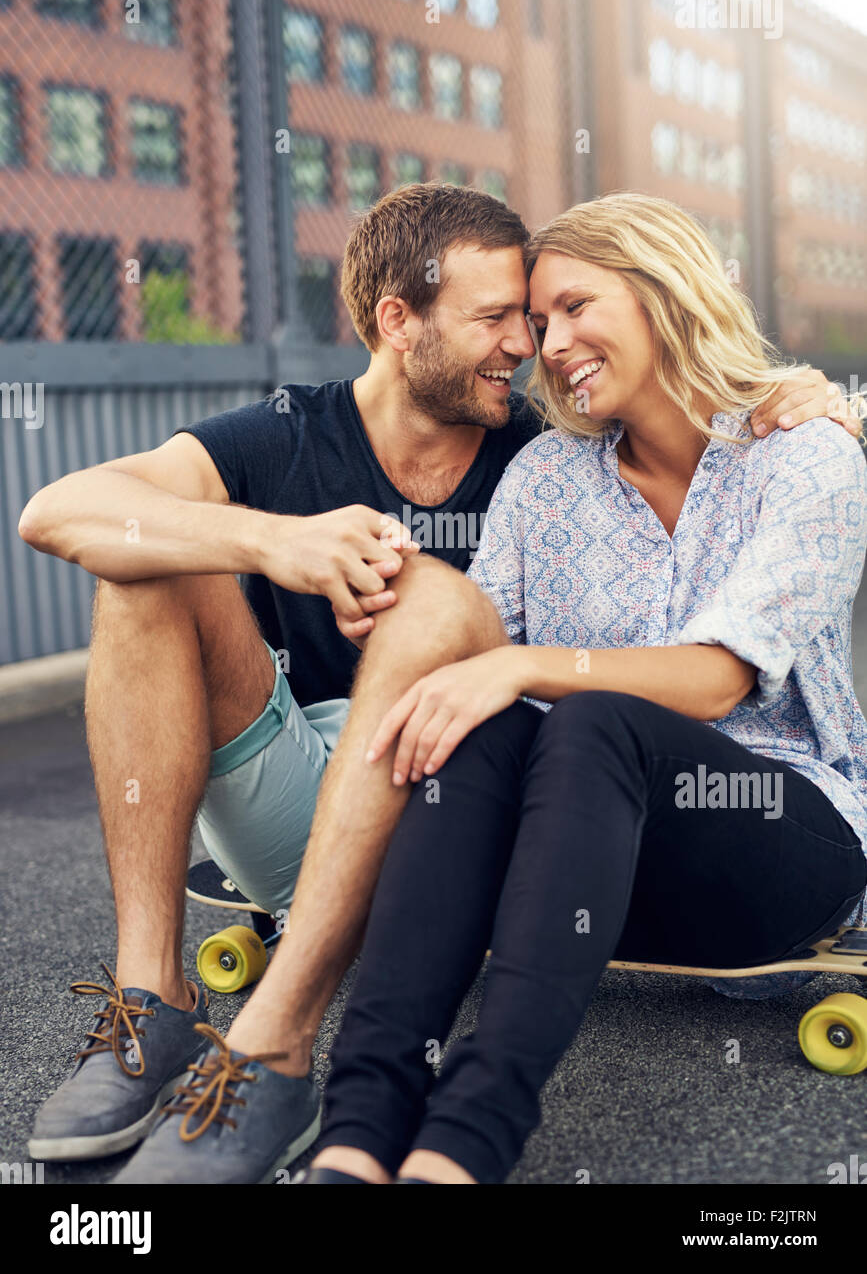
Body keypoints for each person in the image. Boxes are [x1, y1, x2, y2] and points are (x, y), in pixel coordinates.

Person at [17, 183, 854, 1183]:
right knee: (142, 558)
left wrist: (835, 403)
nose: (532, 347)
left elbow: (701, 653)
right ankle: (205, 1036)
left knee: (516, 670)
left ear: (662, 291)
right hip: (360, 789)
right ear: (397, 321)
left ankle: (363, 1098)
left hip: (596, 801)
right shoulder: (352, 447)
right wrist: (279, 543)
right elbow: (55, 510)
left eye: (550, 313)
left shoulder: (590, 446)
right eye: (507, 319)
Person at [298, 192, 867, 1186]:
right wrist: (392, 610)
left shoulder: (804, 453)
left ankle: (462, 1147)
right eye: (532, 321)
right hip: (585, 874)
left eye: (570, 307)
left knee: (593, 714)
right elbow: (466, 649)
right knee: (477, 730)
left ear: (659, 290)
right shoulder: (548, 478)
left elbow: (718, 674)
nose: (545, 345)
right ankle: (353, 1134)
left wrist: (520, 664)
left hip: (777, 847)